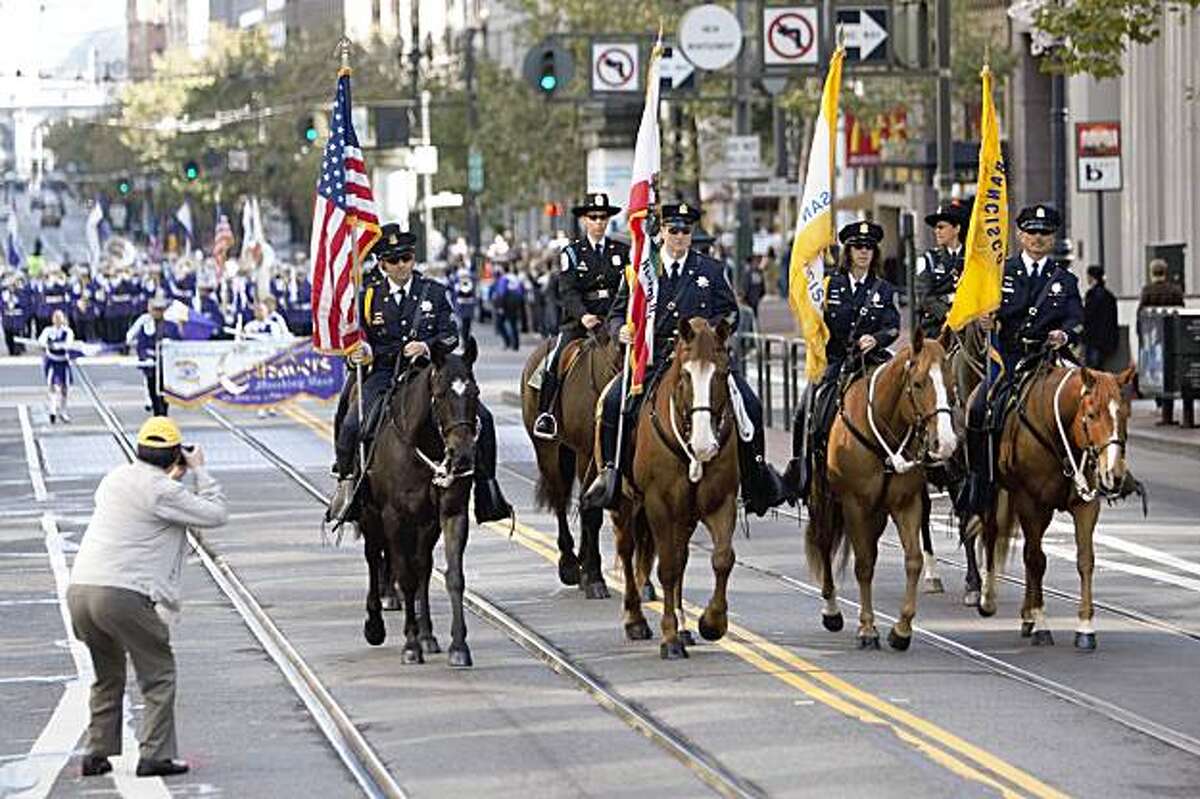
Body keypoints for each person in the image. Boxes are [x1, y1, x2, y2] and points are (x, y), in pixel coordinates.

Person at [581, 202, 788, 516]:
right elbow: (616, 312)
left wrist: (717, 334)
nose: (679, 236)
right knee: (611, 403)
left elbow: (731, 311)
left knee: (751, 404)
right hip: (653, 360)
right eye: (673, 230)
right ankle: (610, 473)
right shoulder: (640, 269)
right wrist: (620, 329)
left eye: (685, 231)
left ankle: (756, 477)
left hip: (701, 360)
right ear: (662, 232)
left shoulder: (710, 270)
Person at [68, 416, 227, 779]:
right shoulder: (165, 492)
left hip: (81, 591)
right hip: (123, 595)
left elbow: (147, 497)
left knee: (107, 674)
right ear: (175, 455)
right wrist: (200, 471)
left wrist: (172, 476)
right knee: (158, 675)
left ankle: (97, 752)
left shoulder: (115, 479)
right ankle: (155, 754)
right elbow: (216, 514)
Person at [329, 224, 511, 524]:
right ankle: (349, 487)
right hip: (385, 372)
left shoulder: (434, 292)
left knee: (484, 419)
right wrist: (360, 352)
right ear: (382, 264)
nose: (402, 265)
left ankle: (487, 489)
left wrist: (427, 347)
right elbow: (356, 338)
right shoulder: (368, 296)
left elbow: (452, 335)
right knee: (351, 423)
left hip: (429, 373)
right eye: (395, 260)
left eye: (407, 258)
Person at [960, 204, 1083, 517]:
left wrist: (1064, 335)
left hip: (1051, 358)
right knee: (977, 407)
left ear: (1053, 238)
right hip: (1011, 358)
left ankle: (1090, 478)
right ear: (1020, 235)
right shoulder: (1002, 273)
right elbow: (986, 312)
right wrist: (985, 321)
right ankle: (980, 480)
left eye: (1044, 233)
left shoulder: (1065, 280)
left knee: (1092, 404)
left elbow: (1077, 320)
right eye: (1032, 232)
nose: (1038, 238)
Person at [782, 221, 901, 499]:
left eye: (869, 247)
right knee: (805, 410)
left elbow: (893, 326)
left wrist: (877, 339)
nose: (864, 252)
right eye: (858, 247)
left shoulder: (883, 289)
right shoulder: (827, 284)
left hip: (873, 360)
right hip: (837, 360)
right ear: (848, 251)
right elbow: (813, 318)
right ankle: (802, 471)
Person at [533, 192, 629, 440]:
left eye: (603, 218)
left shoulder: (622, 251)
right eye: (593, 217)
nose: (598, 222)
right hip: (580, 322)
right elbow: (567, 291)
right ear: (585, 220)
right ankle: (547, 413)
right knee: (555, 358)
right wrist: (583, 315)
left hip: (614, 321)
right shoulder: (572, 253)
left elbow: (629, 288)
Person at [1137, 258, 1186, 424]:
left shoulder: (1148, 291)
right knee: (1170, 373)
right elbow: (1181, 313)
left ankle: (1160, 405)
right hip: (1173, 340)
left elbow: (1141, 315)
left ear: (1152, 272)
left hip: (1154, 340)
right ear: (1166, 272)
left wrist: (1141, 338)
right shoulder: (1175, 290)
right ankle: (1168, 407)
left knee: (1156, 372)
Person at [917, 199, 969, 337]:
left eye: (941, 227)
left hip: (968, 326)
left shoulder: (972, 259)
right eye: (935, 228)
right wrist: (947, 313)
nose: (936, 231)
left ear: (957, 229)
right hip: (935, 328)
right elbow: (924, 297)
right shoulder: (928, 259)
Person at [126, 295, 182, 416]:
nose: (157, 312)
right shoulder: (146, 325)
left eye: (160, 309)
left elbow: (178, 344)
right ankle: (157, 412)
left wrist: (170, 346)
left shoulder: (171, 326)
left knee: (164, 392)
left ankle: (163, 413)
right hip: (151, 365)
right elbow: (141, 346)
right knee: (152, 390)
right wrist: (145, 357)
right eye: (155, 309)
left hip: (166, 365)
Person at [37, 309, 76, 422]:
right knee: (52, 386)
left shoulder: (68, 331)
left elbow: (68, 344)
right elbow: (41, 341)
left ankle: (63, 411)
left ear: (63, 319)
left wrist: (58, 346)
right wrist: (47, 344)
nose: (58, 320)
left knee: (65, 388)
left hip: (63, 362)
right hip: (52, 362)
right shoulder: (48, 331)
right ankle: (52, 410)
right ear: (53, 319)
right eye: (56, 317)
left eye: (60, 317)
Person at [1083, 265, 1119, 369]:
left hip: (1094, 340)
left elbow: (1087, 317)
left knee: (1092, 371)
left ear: (1092, 277)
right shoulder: (1110, 296)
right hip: (1108, 340)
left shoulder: (1092, 295)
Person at [2, 272, 32, 354]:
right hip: (7, 318)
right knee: (8, 337)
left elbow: (25, 304)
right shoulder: (4, 294)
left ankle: (18, 350)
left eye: (12, 285)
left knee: (17, 337)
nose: (11, 287)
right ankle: (11, 350)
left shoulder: (20, 293)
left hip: (17, 319)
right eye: (9, 285)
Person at [740, 255, 767, 319]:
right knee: (754, 313)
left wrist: (743, 296)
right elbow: (762, 285)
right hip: (755, 296)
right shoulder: (758, 272)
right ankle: (754, 325)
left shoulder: (748, 273)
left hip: (751, 296)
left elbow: (746, 285)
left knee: (750, 314)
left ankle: (753, 326)